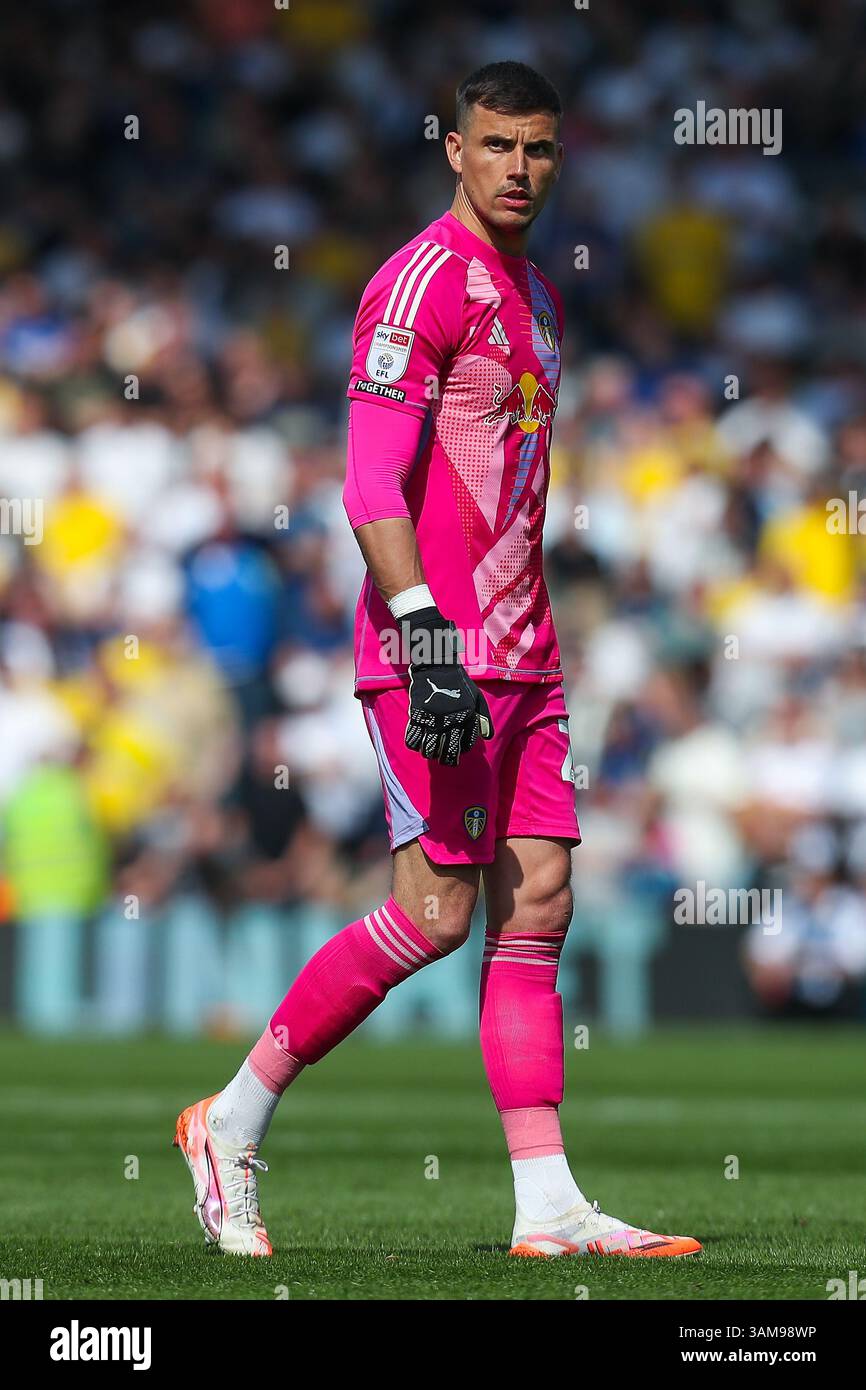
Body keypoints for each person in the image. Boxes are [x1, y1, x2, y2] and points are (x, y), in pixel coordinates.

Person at [174, 60, 701, 1260]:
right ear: (453, 151)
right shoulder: (419, 284)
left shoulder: (538, 299)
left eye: (540, 150)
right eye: (497, 146)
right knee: (432, 910)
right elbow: (366, 480)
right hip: (435, 648)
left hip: (526, 652)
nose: (520, 169)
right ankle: (231, 1119)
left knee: (540, 907)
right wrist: (420, 629)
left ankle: (548, 1204)